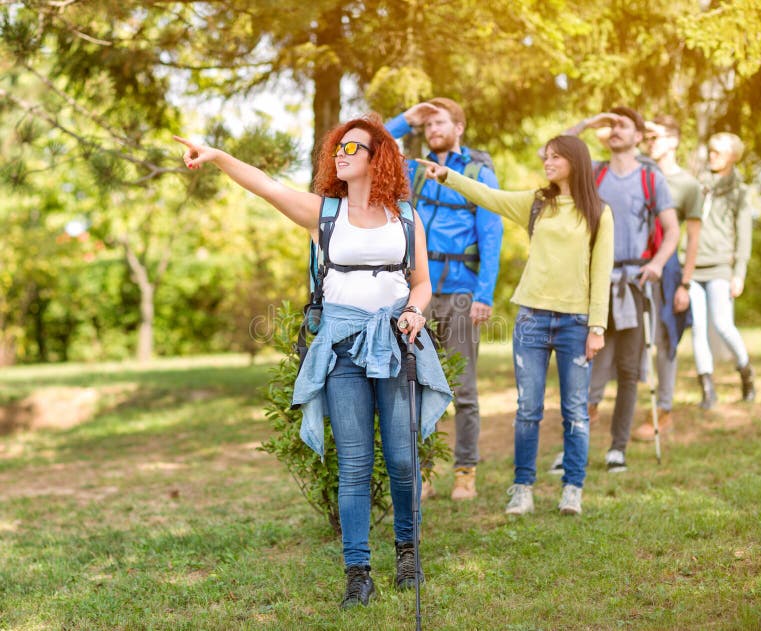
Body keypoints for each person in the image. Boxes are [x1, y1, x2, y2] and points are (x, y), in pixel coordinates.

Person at [173, 113, 452, 610]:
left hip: (394, 342)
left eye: (353, 148)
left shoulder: (406, 217)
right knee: (355, 464)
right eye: (338, 149)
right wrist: (215, 156)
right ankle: (358, 573)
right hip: (342, 349)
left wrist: (414, 311)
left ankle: (408, 554)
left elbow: (422, 281)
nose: (341, 155)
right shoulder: (323, 212)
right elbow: (263, 185)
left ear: (378, 157)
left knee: (404, 459)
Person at [418, 134, 614, 516]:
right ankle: (522, 487)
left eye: (556, 157)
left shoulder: (598, 212)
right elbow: (491, 197)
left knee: (575, 410)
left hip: (576, 323)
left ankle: (572, 487)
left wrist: (597, 326)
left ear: (575, 160)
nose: (548, 162)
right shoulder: (538, 203)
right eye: (546, 156)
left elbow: (602, 272)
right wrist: (447, 178)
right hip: (532, 319)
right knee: (527, 409)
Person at [386, 99, 503, 500]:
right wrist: (407, 120)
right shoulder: (413, 170)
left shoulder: (477, 173)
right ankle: (427, 469)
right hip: (417, 292)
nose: (434, 128)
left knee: (464, 387)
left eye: (441, 122)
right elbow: (375, 145)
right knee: (416, 382)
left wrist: (484, 295)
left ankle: (465, 471)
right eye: (429, 123)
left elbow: (492, 236)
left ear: (460, 127)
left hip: (460, 293)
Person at [552, 107, 680, 473]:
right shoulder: (594, 172)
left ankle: (617, 448)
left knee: (627, 368)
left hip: (635, 284)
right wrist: (588, 124)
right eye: (612, 126)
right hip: (595, 282)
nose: (615, 130)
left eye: (624, 125)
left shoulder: (650, 178)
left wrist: (656, 264)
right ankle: (574, 447)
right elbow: (560, 149)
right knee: (586, 365)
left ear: (639, 136)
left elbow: (672, 230)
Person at [621, 115, 703, 440]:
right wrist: (642, 129)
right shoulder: (637, 169)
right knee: (635, 338)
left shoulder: (688, 184)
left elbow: (692, 238)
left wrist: (685, 283)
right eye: (648, 136)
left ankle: (664, 410)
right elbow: (603, 136)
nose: (650, 142)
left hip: (668, 269)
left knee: (666, 338)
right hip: (632, 263)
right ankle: (626, 405)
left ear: (674, 141)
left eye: (657, 136)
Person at [690, 132, 754, 407]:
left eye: (717, 151)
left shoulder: (740, 192)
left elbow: (744, 234)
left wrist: (739, 272)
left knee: (723, 325)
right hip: (693, 267)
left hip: (720, 267)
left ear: (731, 156)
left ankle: (746, 372)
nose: (711, 155)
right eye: (711, 151)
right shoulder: (699, 184)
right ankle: (707, 389)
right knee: (698, 329)